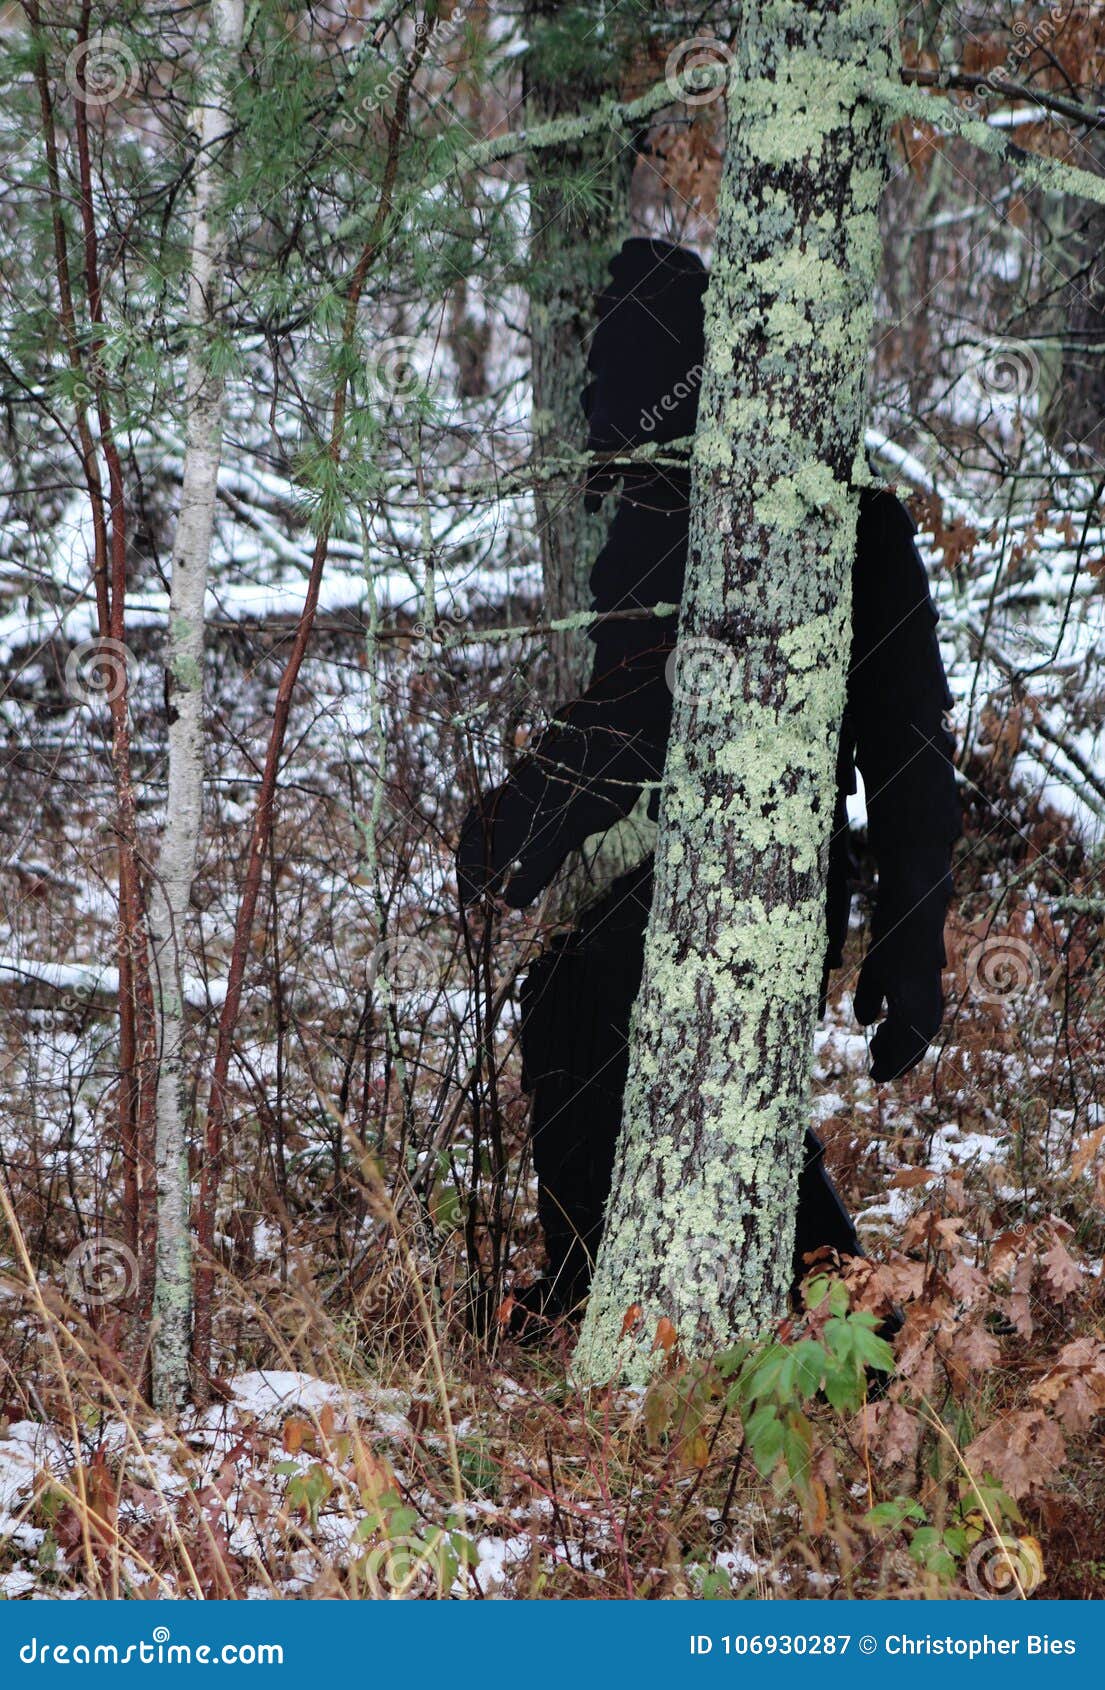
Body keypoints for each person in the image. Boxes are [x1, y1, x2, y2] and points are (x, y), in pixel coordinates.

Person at [458, 239, 961, 1327]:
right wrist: (528, 811)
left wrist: (912, 935)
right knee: (576, 1009)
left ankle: (856, 1331)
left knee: (653, 1042)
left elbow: (910, 745)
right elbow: (633, 710)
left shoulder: (842, 518)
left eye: (618, 365)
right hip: (679, 851)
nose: (597, 390)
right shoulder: (650, 518)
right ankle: (597, 1284)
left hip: (780, 863)